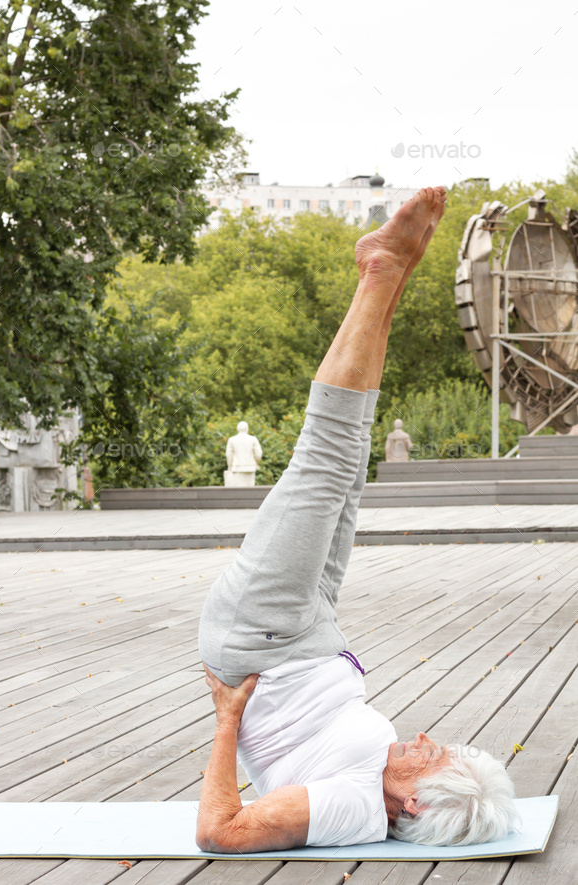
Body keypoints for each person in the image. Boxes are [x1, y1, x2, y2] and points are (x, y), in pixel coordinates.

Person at [196, 187, 518, 853]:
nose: (429, 738)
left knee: (327, 456)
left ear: (418, 798)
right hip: (314, 625)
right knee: (349, 455)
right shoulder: (377, 777)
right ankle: (386, 276)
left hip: (263, 639)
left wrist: (228, 719)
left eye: (437, 756)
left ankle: (383, 273)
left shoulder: (352, 808)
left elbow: (220, 832)